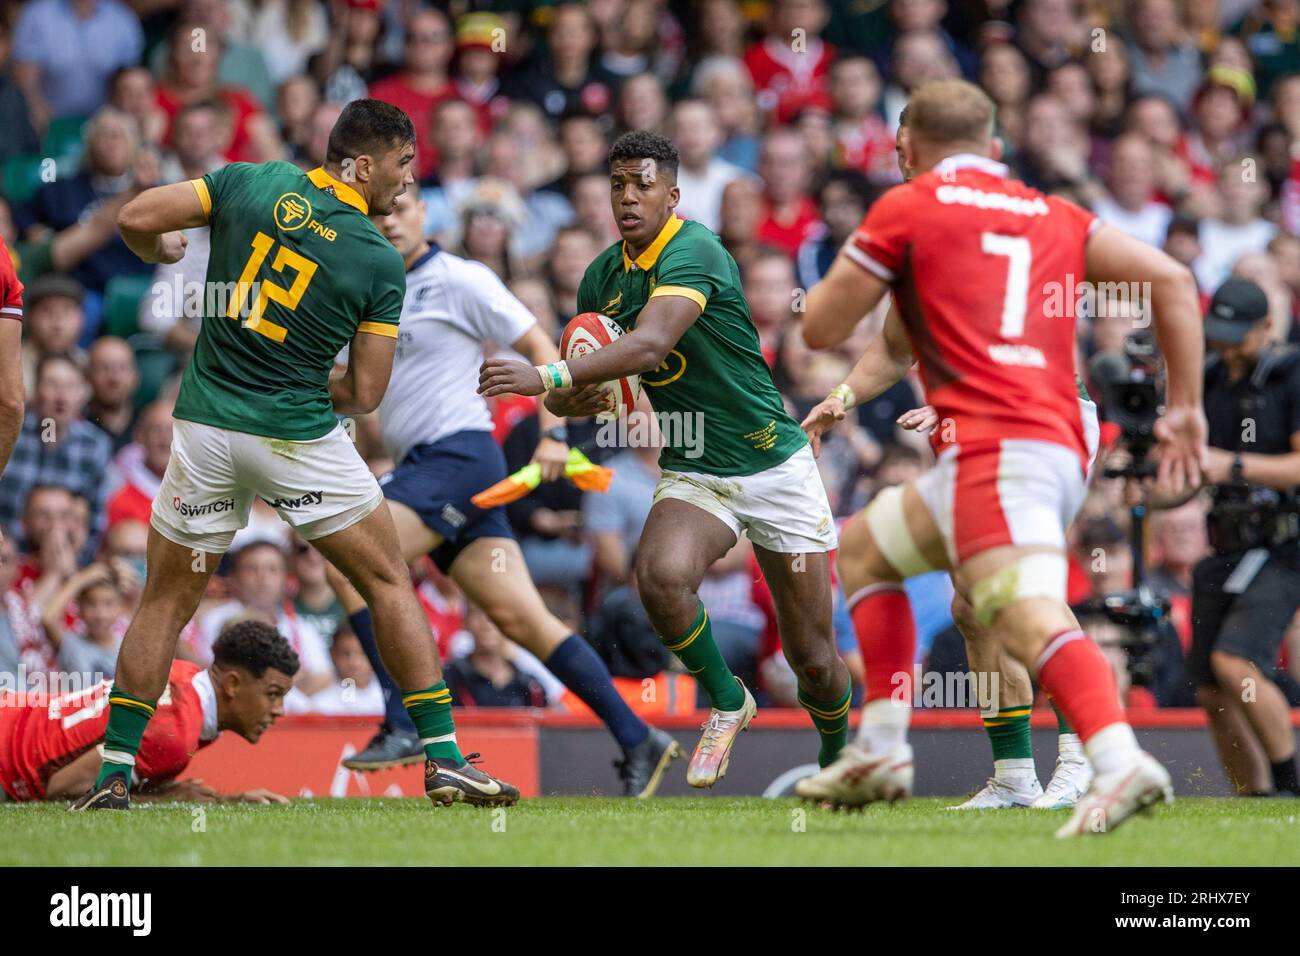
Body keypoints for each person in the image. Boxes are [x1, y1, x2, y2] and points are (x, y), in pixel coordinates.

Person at [76, 98, 518, 811]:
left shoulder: (247, 181)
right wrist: (308, 380)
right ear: (365, 164)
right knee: (386, 581)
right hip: (295, 436)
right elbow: (367, 392)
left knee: (164, 598)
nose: (407, 184)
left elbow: (135, 220)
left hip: (207, 431)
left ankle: (114, 775)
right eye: (403, 166)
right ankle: (442, 759)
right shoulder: (378, 259)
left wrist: (161, 252)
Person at [794, 79, 1206, 837]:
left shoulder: (909, 208)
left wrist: (868, 260)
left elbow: (819, 326)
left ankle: (1108, 760)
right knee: (870, 552)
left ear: (904, 148)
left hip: (1009, 436)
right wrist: (1186, 408)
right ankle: (965, 764)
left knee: (1018, 607)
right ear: (994, 149)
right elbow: (1176, 283)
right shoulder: (1054, 214)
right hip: (1040, 428)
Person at [480, 130, 851, 788]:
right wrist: (568, 396)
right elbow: (589, 394)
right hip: (697, 467)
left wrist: (545, 374)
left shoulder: (696, 250)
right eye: (618, 184)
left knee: (813, 659)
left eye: (642, 184)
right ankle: (727, 699)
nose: (628, 196)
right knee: (656, 576)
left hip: (774, 464)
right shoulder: (601, 277)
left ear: (672, 195)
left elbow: (649, 347)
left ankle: (835, 762)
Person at [800, 103, 1101, 810]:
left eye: (910, 148)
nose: (902, 160)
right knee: (973, 604)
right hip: (992, 418)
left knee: (1018, 587)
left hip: (1035, 415)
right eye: (899, 148)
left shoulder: (973, 220)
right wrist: (844, 396)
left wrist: (974, 397)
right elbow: (897, 345)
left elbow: (1031, 334)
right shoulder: (932, 227)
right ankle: (1015, 776)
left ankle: (1092, 754)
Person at [334, 189, 676, 797]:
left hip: (461, 458)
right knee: (526, 620)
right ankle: (638, 738)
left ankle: (400, 718)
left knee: (348, 561)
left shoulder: (460, 279)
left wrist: (552, 435)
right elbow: (357, 391)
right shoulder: (367, 292)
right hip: (428, 468)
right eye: (377, 212)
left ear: (425, 216)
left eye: (401, 208)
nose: (388, 219)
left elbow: (542, 348)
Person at [1164, 277, 1300, 796]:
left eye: (1237, 335)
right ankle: (1254, 795)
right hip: (1226, 542)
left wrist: (1234, 464)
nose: (1226, 344)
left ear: (1266, 327)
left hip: (1285, 544)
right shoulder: (1210, 379)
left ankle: (1290, 786)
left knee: (1235, 661)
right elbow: (1196, 469)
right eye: (1218, 333)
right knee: (1209, 688)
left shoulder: (1290, 374)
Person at [1, 620, 295, 805]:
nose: (279, 710)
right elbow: (63, 787)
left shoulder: (187, 676)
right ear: (232, 684)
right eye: (273, 695)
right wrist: (166, 800)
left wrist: (228, 801)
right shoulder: (174, 734)